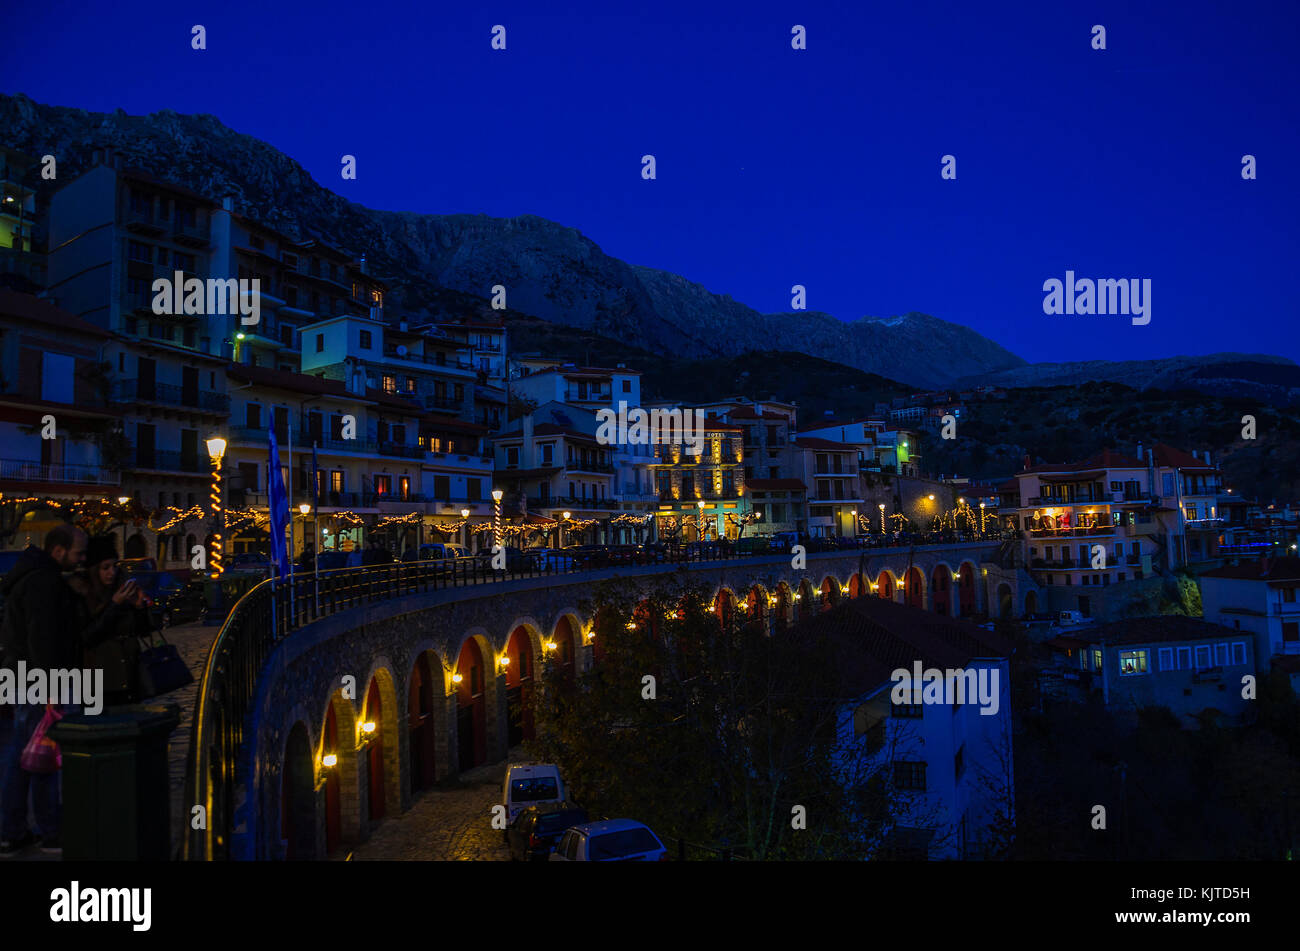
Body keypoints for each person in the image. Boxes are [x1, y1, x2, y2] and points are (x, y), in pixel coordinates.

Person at [0, 523, 88, 857]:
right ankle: (47, 829)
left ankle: (15, 829)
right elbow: (43, 638)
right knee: (41, 754)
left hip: (25, 676)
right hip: (38, 680)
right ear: (58, 550)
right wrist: (51, 686)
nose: (81, 559)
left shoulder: (35, 577)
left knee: (24, 752)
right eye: (78, 553)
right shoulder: (43, 583)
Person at [68, 535, 151, 708]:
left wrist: (139, 608)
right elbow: (87, 637)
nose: (111, 572)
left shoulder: (123, 589)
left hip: (129, 678)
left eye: (114, 566)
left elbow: (143, 631)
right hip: (99, 683)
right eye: (105, 568)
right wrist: (114, 605)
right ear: (94, 570)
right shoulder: (83, 597)